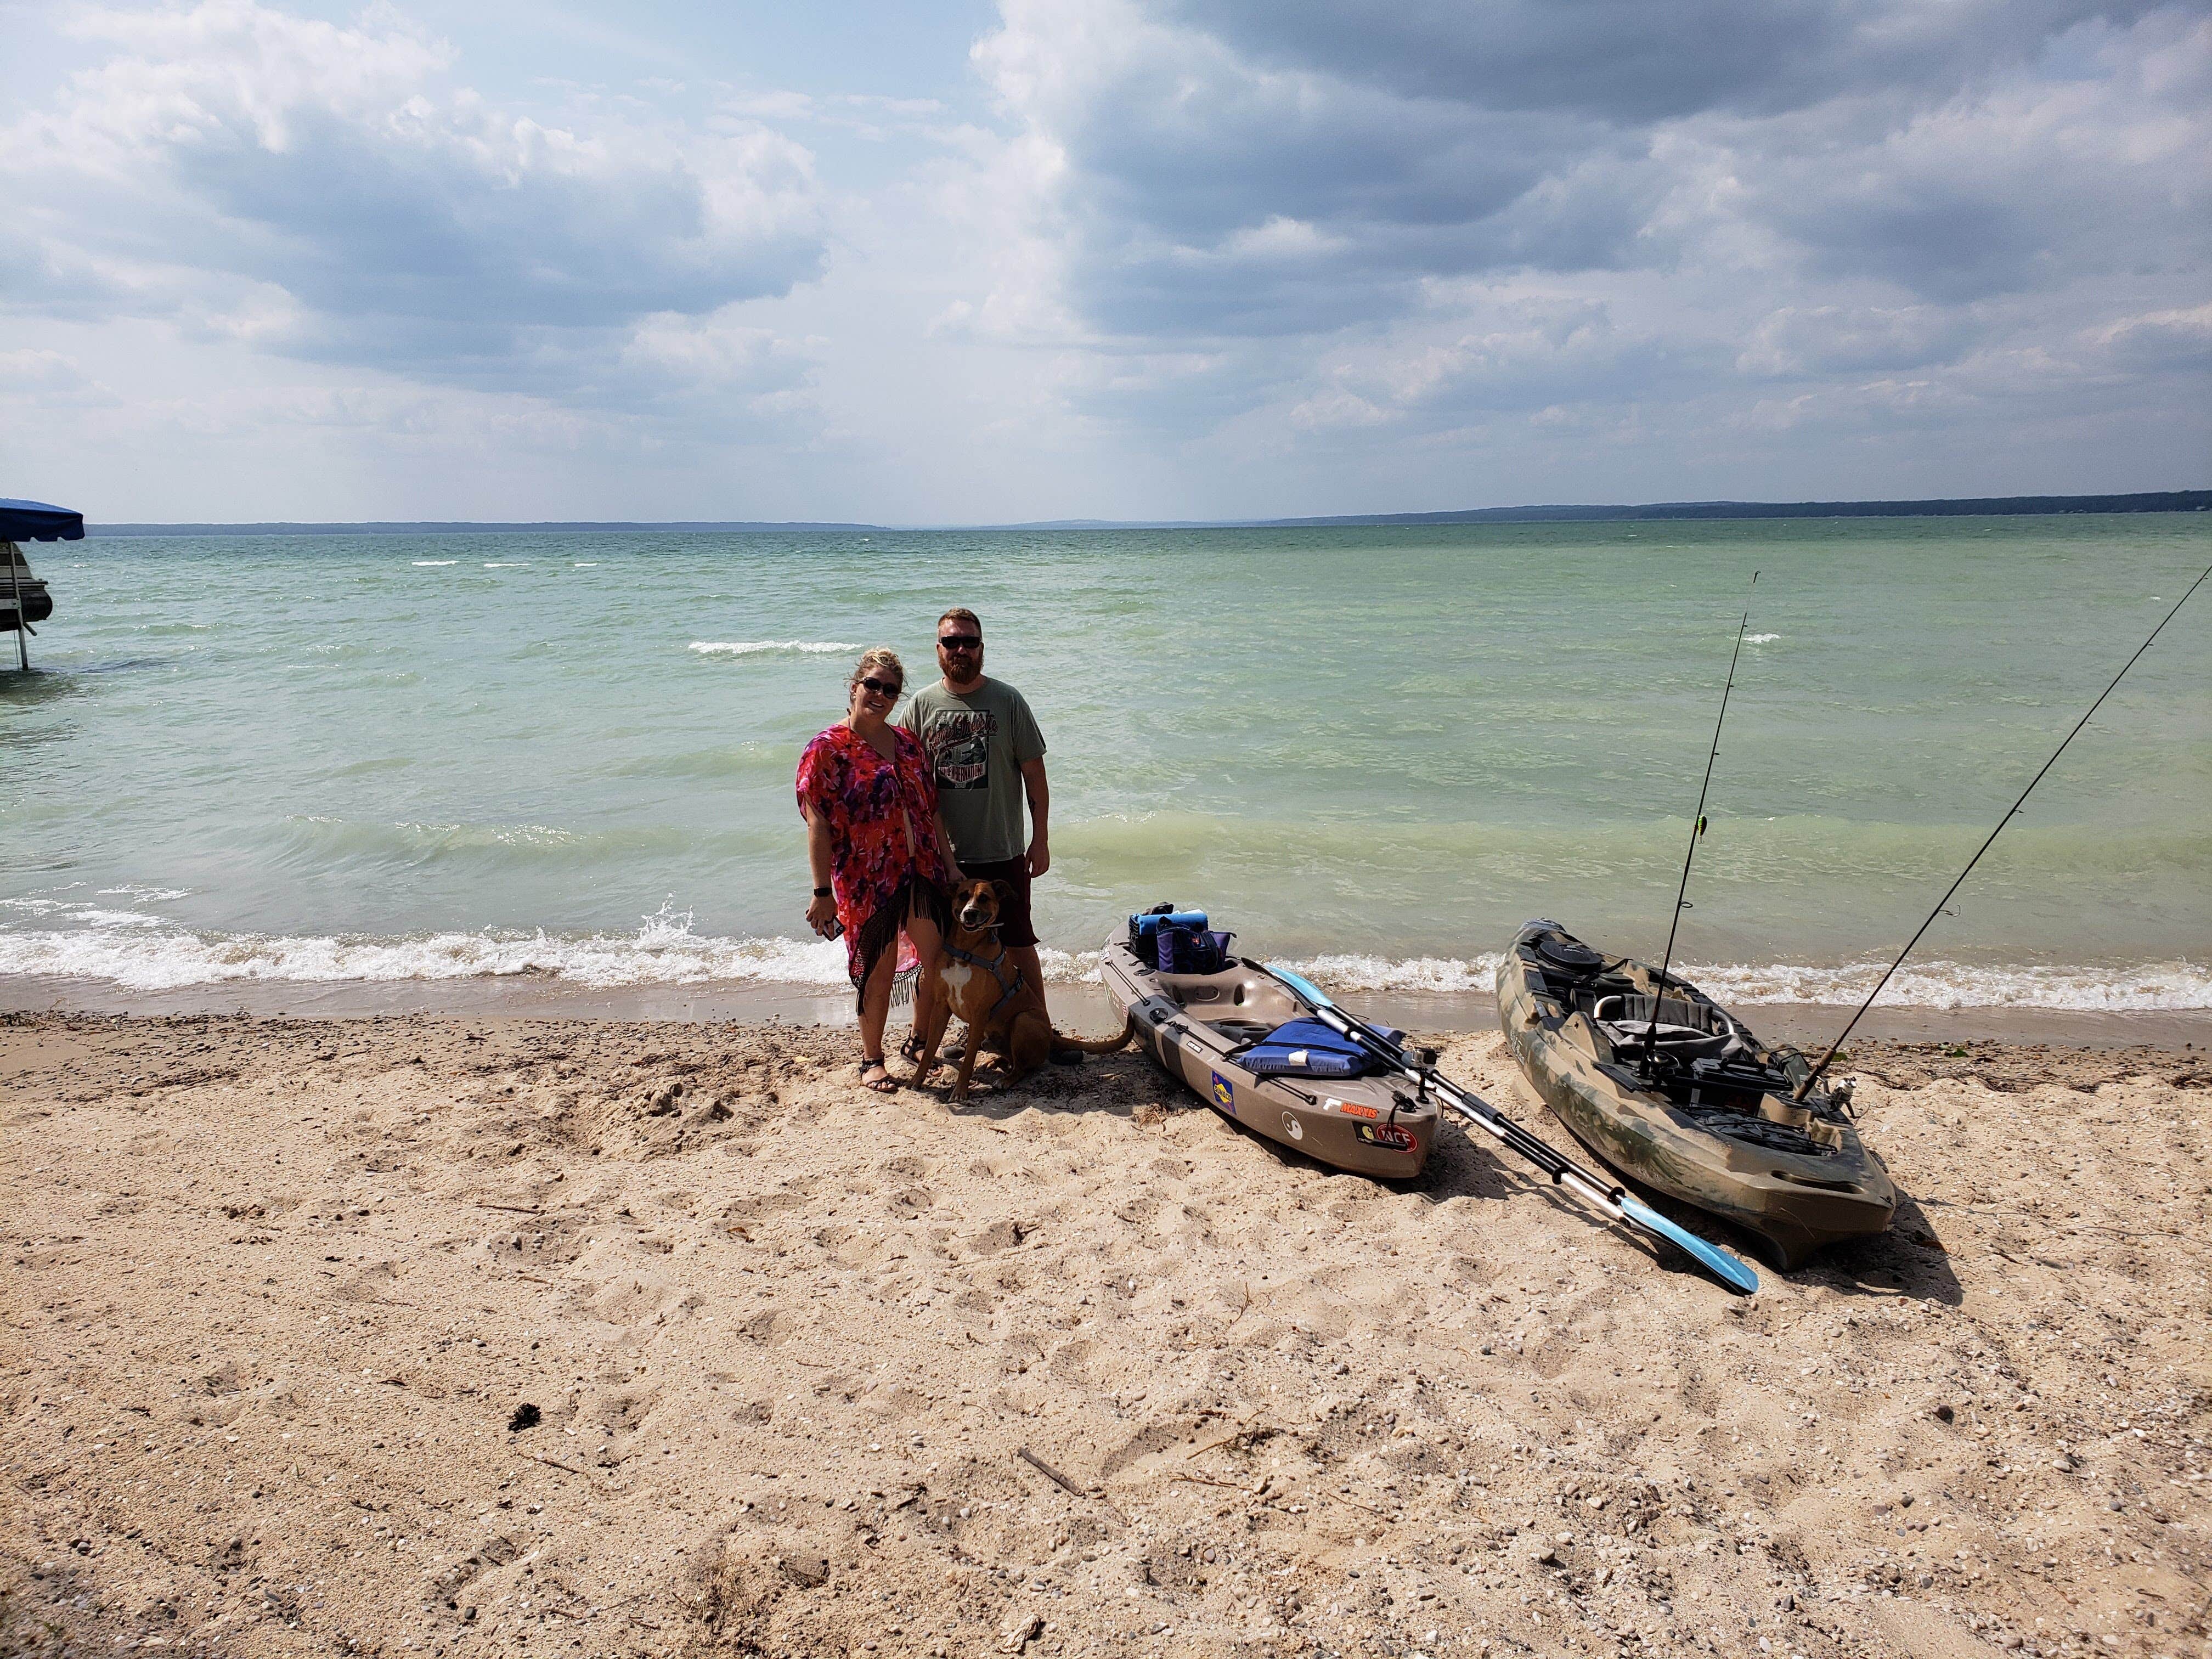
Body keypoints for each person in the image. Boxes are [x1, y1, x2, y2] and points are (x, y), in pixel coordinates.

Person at [897, 608, 1077, 1062]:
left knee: (1019, 944)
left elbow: (1036, 778)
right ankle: (925, 1038)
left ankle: (1044, 1032)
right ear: (938, 650)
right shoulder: (919, 707)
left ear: (982, 648)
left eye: (969, 642)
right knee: (939, 953)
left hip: (1002, 850)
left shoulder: (1008, 701)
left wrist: (1041, 840)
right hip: (943, 859)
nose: (961, 650)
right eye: (951, 642)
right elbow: (903, 784)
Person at [796, 648, 960, 1093]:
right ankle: (872, 1059)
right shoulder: (827, 749)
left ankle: (920, 1043)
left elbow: (932, 812)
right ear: (854, 688)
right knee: (879, 971)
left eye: (890, 689)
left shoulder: (907, 743)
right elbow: (818, 824)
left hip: (922, 869)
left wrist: (949, 865)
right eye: (873, 685)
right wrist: (821, 890)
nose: (881, 694)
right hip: (867, 878)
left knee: (939, 961)